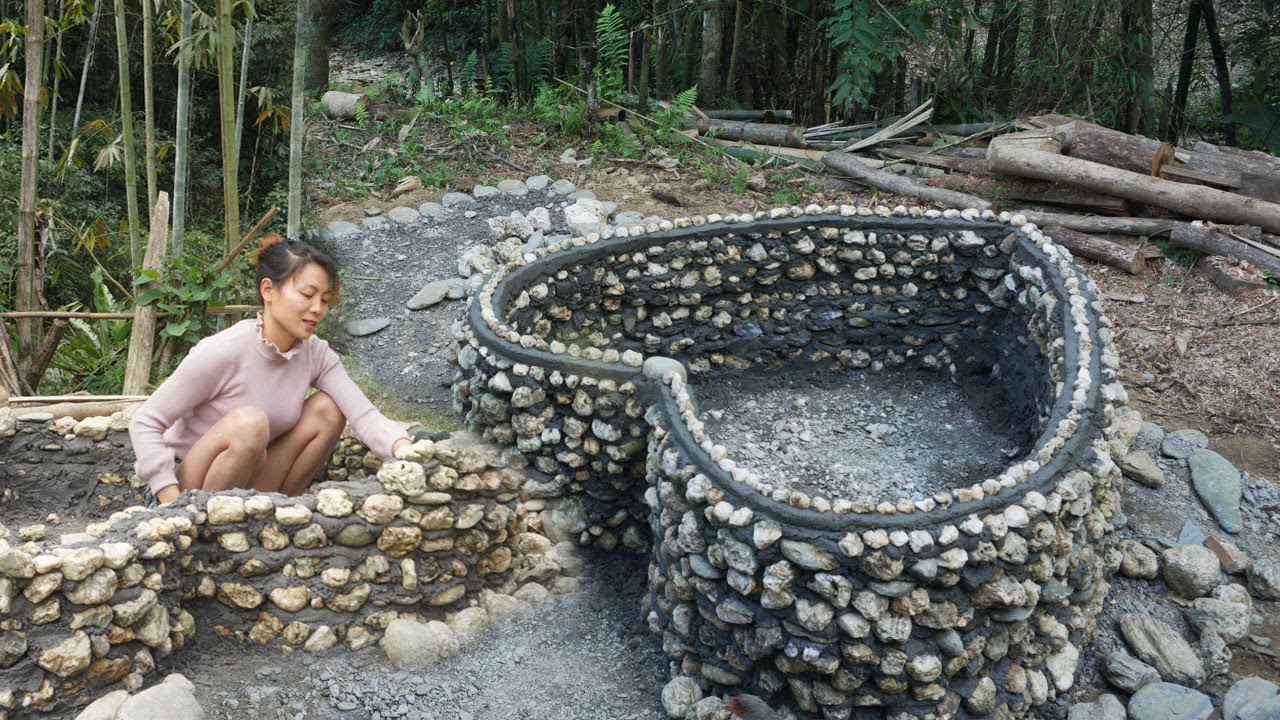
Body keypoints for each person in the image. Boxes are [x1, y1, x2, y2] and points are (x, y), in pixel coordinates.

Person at [129, 233, 430, 505]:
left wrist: (408, 451)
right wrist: (170, 500)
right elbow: (145, 422)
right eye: (307, 295)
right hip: (182, 490)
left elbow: (362, 413)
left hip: (250, 483)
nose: (318, 309)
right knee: (251, 423)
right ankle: (206, 528)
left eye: (325, 300)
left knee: (329, 408)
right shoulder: (225, 349)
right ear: (268, 290)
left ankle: (279, 517)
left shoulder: (315, 353)